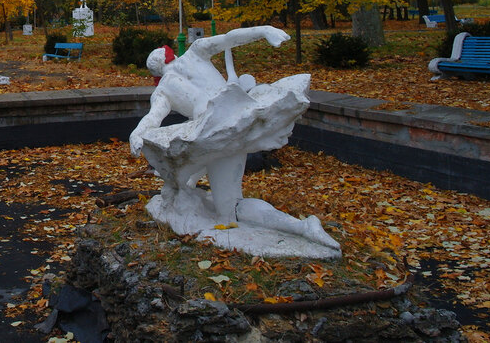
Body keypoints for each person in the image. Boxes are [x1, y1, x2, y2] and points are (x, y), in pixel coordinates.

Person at [130, 26, 340, 255]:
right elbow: (231, 38)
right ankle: (301, 227)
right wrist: (264, 30)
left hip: (211, 136)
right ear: (171, 55)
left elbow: (153, 117)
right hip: (234, 126)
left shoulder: (162, 90)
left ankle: (300, 227)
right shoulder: (196, 51)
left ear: (157, 71)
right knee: (228, 202)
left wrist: (137, 134)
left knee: (215, 201)